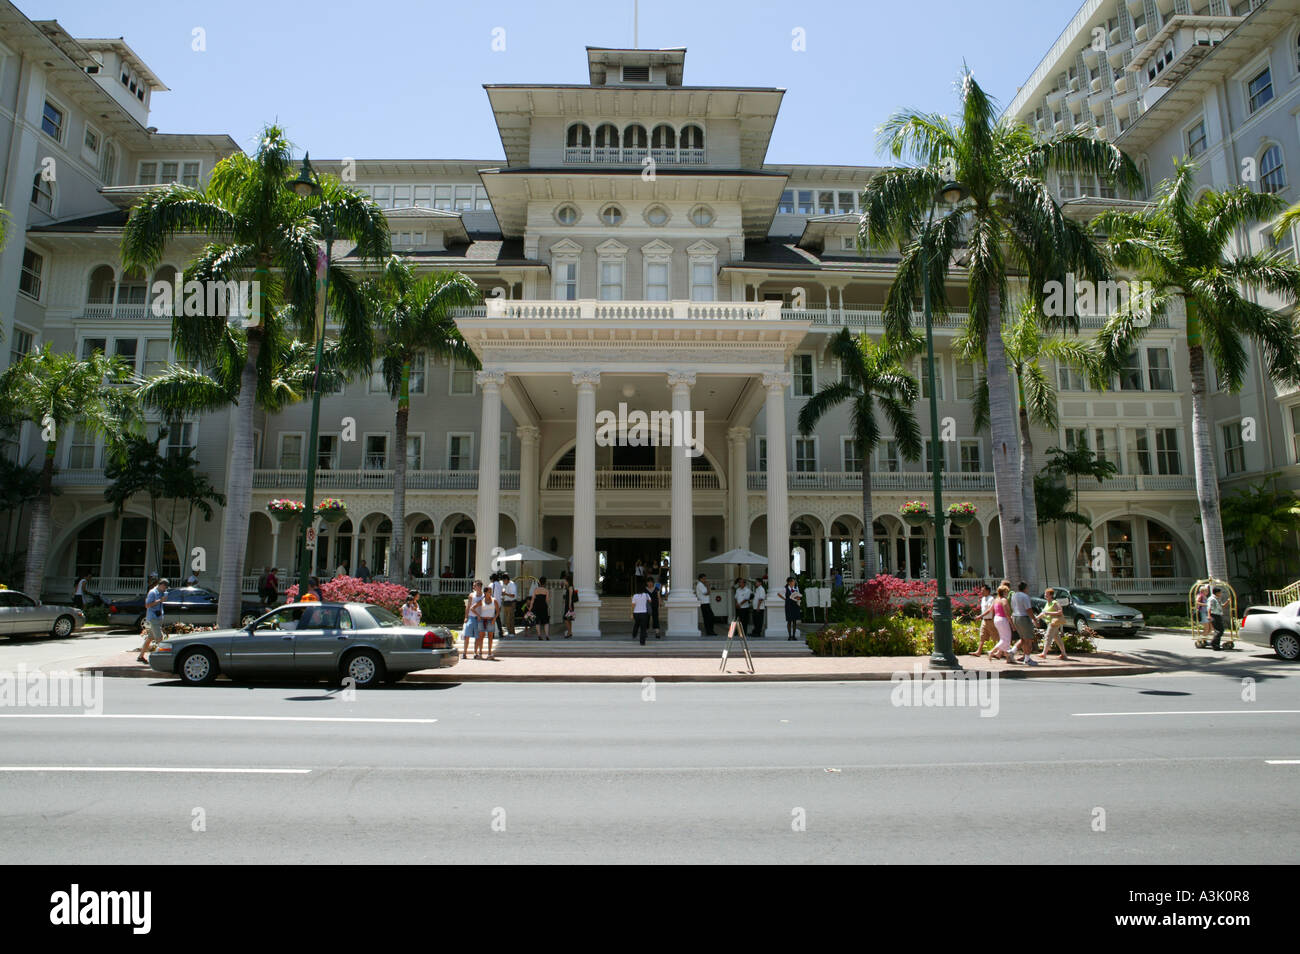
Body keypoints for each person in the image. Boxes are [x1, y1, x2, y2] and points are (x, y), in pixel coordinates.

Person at [138, 577, 169, 663]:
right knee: (160, 638)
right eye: (165, 587)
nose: (165, 589)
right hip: (152, 618)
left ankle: (140, 656)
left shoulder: (162, 592)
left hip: (158, 618)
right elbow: (147, 605)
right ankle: (164, 659)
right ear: (161, 585)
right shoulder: (152, 592)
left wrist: (163, 599)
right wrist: (160, 600)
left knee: (150, 638)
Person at [1010, 580, 1039, 666]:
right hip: (1023, 618)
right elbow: (1028, 610)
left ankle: (1012, 652)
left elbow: (1012, 607)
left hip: (1015, 617)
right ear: (1025, 588)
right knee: (1028, 640)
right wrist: (1034, 619)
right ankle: (1027, 659)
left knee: (1022, 638)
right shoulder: (1025, 596)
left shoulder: (1014, 595)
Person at [1036, 588, 1069, 661]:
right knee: (1057, 639)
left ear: (1051, 595)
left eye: (1047, 594)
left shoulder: (1055, 602)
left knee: (1048, 636)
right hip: (1049, 622)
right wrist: (1036, 618)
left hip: (1054, 623)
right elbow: (1043, 613)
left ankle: (1044, 654)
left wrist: (1049, 613)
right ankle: (1064, 654)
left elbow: (1060, 612)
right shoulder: (1047, 603)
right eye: (1045, 594)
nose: (1045, 595)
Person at [472, 585, 499, 660]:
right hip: (482, 620)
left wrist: (494, 618)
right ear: (485, 592)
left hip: (491, 620)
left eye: (491, 592)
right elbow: (472, 608)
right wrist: (478, 616)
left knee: (490, 637)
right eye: (489, 591)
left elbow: (498, 611)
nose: (490, 593)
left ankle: (489, 653)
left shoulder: (494, 600)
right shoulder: (482, 601)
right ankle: (480, 653)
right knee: (481, 637)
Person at [989, 585, 1015, 661]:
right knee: (1005, 639)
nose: (1007, 593)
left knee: (1004, 639)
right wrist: (1012, 624)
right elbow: (1007, 613)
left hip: (996, 619)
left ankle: (1008, 658)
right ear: (1004, 592)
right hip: (1003, 619)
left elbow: (991, 610)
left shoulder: (996, 600)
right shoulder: (1004, 600)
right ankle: (992, 651)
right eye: (1006, 591)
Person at [971, 584, 995, 656]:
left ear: (987, 591)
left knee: (995, 637)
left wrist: (980, 616)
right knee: (982, 636)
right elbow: (984, 610)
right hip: (984, 620)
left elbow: (989, 610)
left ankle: (1000, 652)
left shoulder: (991, 599)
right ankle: (978, 652)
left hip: (991, 620)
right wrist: (980, 616)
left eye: (983, 590)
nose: (981, 591)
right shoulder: (983, 599)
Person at [461, 580, 484, 655]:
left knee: (477, 637)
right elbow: (468, 606)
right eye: (473, 585)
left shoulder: (484, 596)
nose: (473, 587)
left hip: (480, 618)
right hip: (471, 617)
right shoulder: (471, 595)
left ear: (479, 586)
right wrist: (466, 617)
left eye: (475, 586)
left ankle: (475, 652)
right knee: (467, 635)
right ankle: (465, 652)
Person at [631, 581, 653, 645]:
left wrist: (631, 613)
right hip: (644, 613)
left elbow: (633, 605)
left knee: (636, 624)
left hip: (636, 613)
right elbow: (650, 601)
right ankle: (642, 642)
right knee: (643, 628)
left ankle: (634, 634)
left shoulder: (635, 596)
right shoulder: (646, 595)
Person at [1207, 586, 1226, 651]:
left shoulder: (1218, 599)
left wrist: (1228, 601)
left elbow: (1222, 606)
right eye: (1220, 592)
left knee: (1220, 630)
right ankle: (1214, 643)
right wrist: (1209, 616)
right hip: (1213, 615)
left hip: (1218, 615)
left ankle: (1216, 645)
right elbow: (1209, 607)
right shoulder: (1212, 599)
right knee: (1218, 630)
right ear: (1217, 593)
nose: (1221, 594)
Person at [561, 573, 577, 638]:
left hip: (569, 605)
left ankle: (569, 632)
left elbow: (570, 597)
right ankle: (569, 632)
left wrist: (570, 606)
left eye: (565, 580)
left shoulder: (570, 587)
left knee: (565, 619)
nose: (564, 581)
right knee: (568, 619)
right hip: (568, 605)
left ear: (568, 581)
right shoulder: (569, 587)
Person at [490, 573, 505, 641]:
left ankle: (492, 634)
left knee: (492, 619)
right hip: (498, 604)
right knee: (498, 619)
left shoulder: (491, 585)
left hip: (493, 604)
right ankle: (500, 632)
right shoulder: (500, 584)